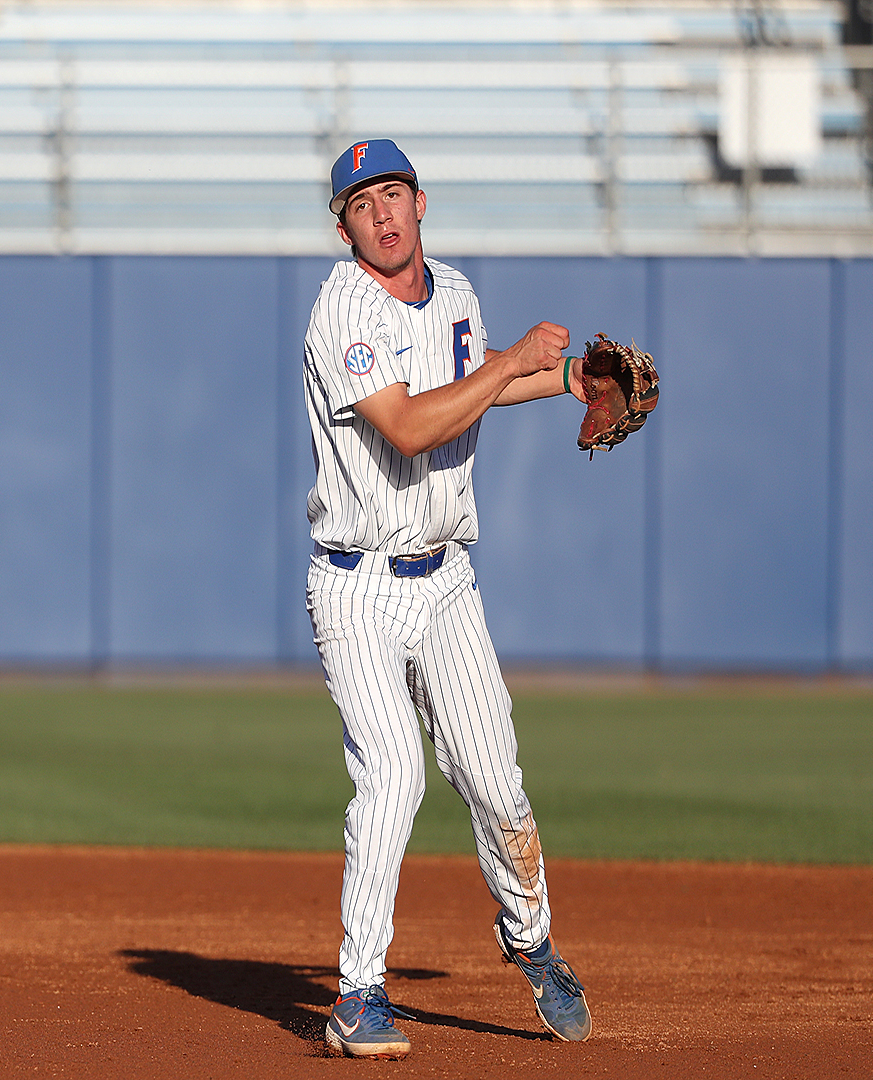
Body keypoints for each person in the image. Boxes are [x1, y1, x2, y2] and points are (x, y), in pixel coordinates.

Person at [300, 140, 593, 1059]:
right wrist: (511, 366)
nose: (380, 214)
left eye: (392, 194)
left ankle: (532, 940)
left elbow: (464, 394)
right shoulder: (342, 308)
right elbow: (414, 424)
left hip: (447, 581)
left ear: (421, 203)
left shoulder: (456, 294)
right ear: (343, 225)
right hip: (356, 585)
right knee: (392, 774)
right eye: (360, 204)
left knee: (495, 780)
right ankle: (357, 993)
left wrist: (569, 382)